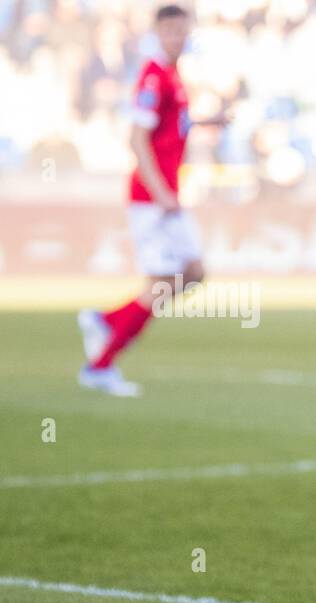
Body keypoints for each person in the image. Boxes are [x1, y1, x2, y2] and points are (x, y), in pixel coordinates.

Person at [76, 5, 224, 397]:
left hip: (168, 197)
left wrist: (209, 124)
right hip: (152, 200)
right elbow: (137, 140)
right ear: (158, 32)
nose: (177, 36)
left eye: (182, 29)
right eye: (170, 30)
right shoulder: (153, 76)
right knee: (159, 283)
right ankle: (100, 366)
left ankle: (108, 320)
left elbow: (167, 132)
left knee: (194, 272)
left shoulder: (174, 76)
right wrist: (161, 193)